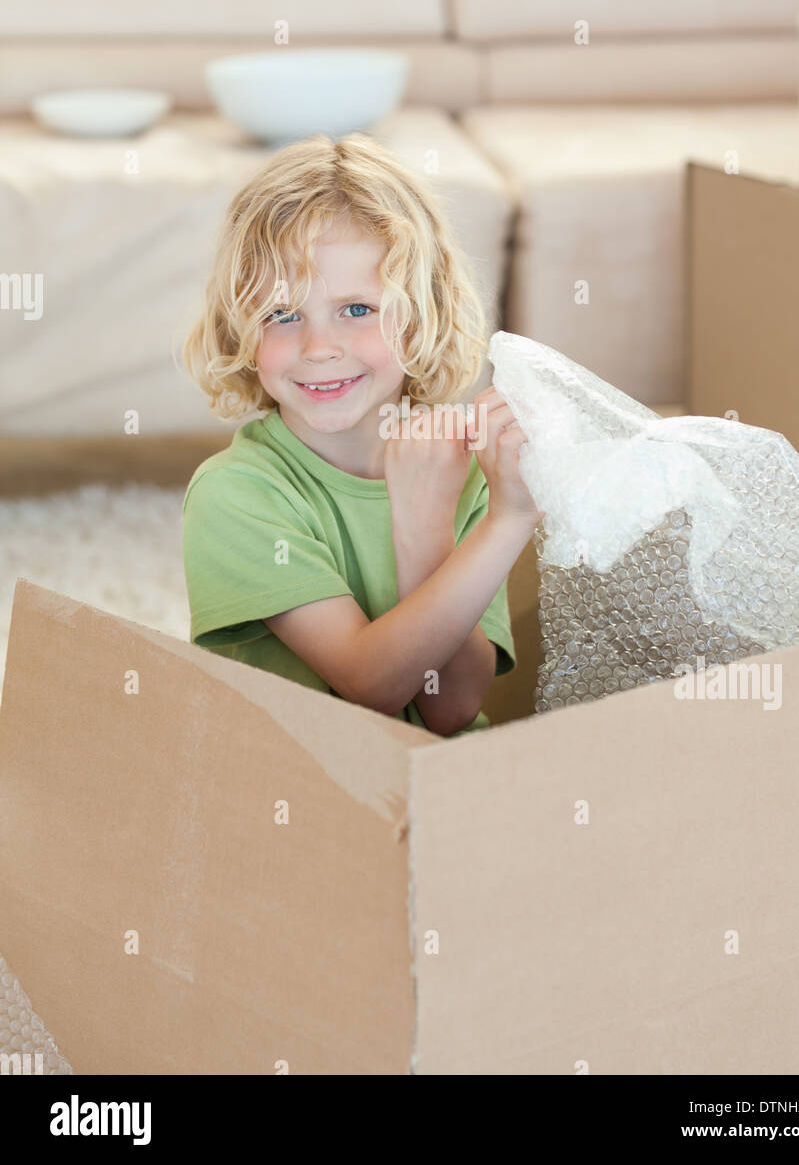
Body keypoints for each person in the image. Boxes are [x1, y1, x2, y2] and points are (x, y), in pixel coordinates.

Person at [180, 132, 543, 737]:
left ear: (421, 314)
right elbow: (371, 687)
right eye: (281, 314)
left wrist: (500, 505)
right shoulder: (233, 495)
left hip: (446, 781)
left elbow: (450, 708)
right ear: (238, 325)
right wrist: (482, 522)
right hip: (308, 795)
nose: (319, 348)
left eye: (356, 309)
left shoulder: (469, 471)